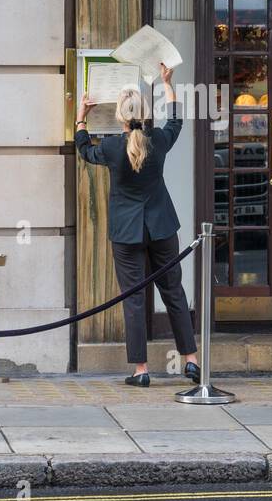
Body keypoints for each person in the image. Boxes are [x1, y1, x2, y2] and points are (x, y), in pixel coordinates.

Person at [75, 62, 199, 387]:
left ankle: (141, 370)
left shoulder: (113, 147)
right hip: (162, 228)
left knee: (133, 298)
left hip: (127, 232)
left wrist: (81, 117)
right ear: (145, 112)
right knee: (173, 291)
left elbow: (85, 150)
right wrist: (168, 83)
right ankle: (191, 361)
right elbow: (176, 120)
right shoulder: (158, 139)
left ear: (120, 116)